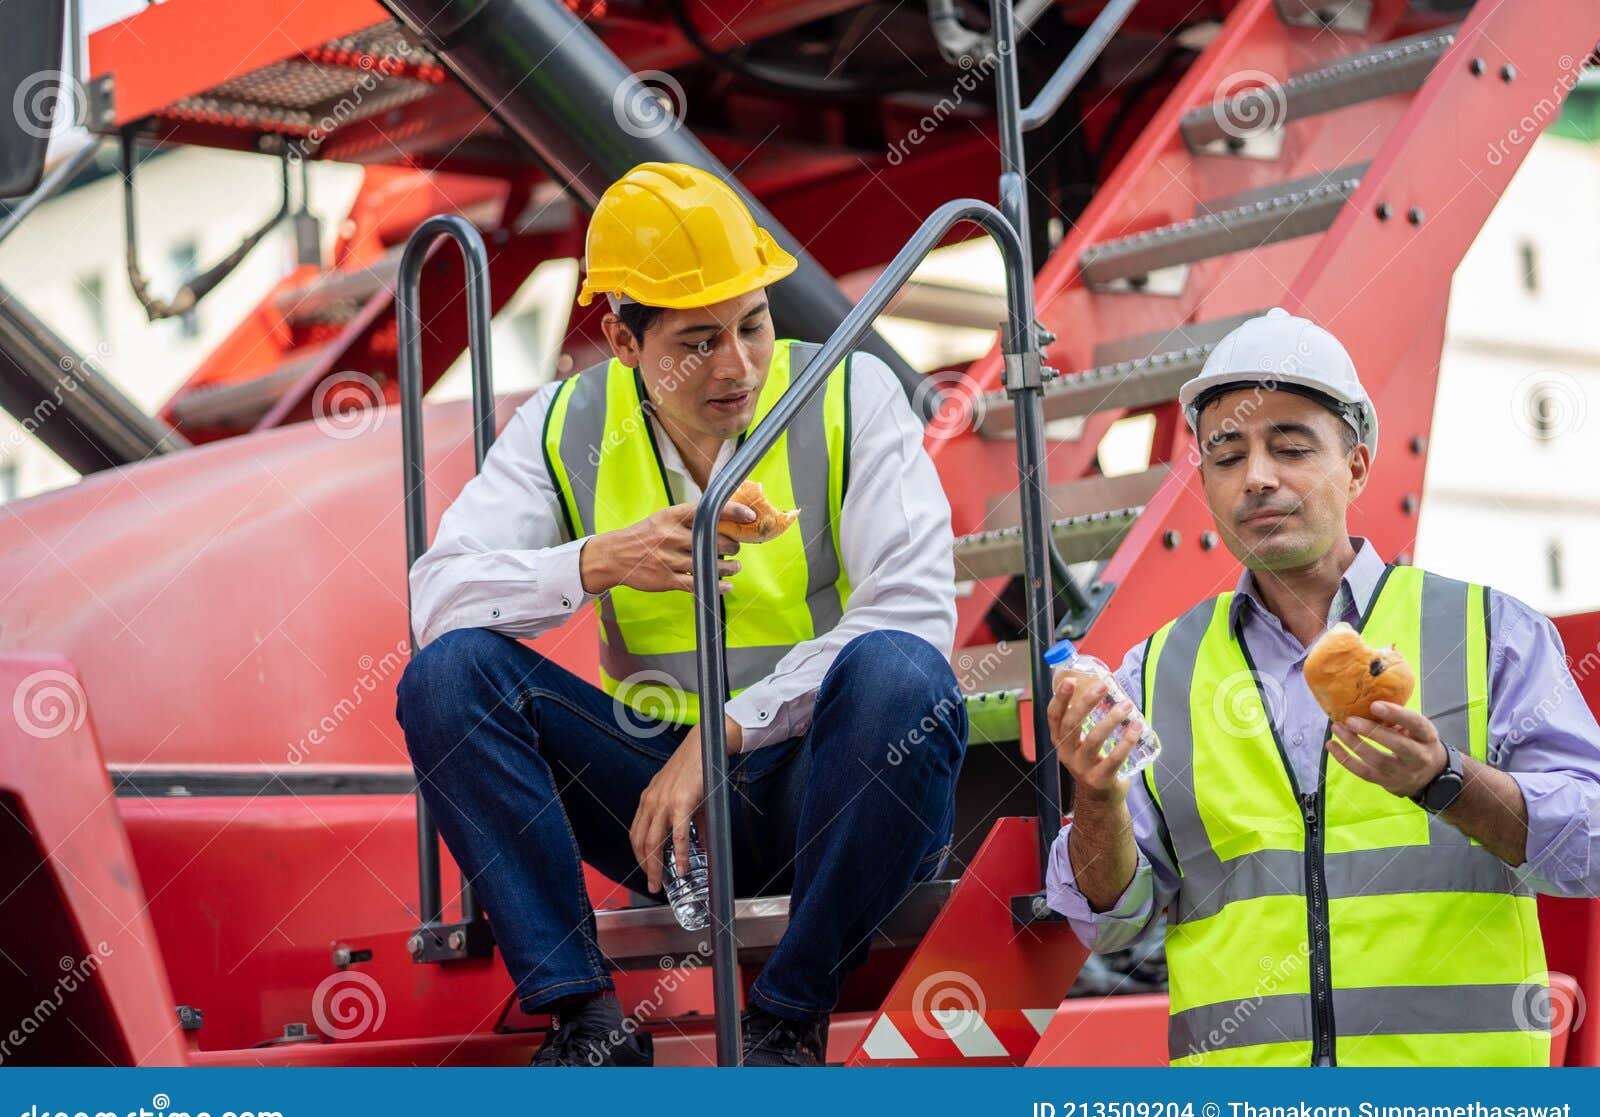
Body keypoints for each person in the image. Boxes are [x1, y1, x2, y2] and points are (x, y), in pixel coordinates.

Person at [394, 162, 965, 1067]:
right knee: (447, 676)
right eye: (699, 341)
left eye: (754, 323)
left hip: (834, 781)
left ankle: (787, 1021)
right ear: (623, 339)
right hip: (663, 806)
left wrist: (725, 735)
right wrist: (595, 561)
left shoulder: (849, 394)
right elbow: (439, 599)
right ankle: (584, 1018)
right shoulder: (564, 426)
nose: (739, 365)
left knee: (904, 672)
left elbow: (919, 609)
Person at [1045, 307, 1600, 1066]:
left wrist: (1448, 781)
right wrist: (1097, 799)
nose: (1258, 477)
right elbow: (1110, 923)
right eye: (1227, 454)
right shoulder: (1154, 671)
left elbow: (1591, 846)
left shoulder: (1489, 630)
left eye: (1291, 446)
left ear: (1359, 466)